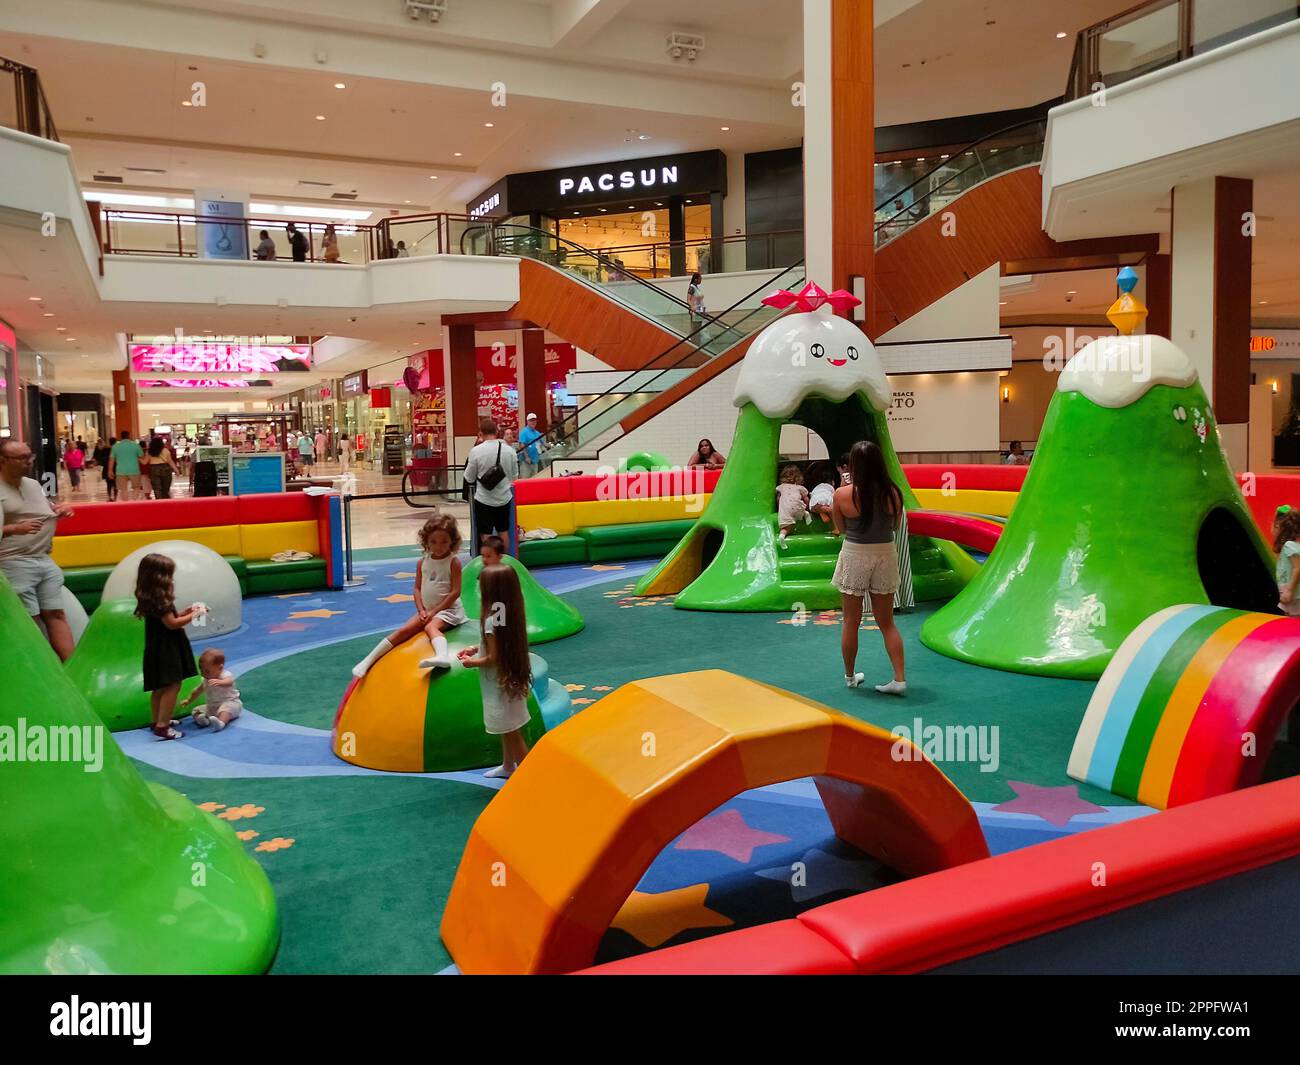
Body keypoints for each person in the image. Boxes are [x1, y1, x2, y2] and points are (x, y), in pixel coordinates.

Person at [832, 440, 906, 695]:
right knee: (887, 622)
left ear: (853, 465)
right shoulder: (894, 493)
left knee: (851, 621)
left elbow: (840, 529)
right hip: (885, 553)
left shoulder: (842, 494)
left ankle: (851, 676)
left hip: (855, 554)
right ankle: (899, 678)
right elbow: (895, 526)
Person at [352, 515, 466, 677]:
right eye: (433, 542)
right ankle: (368, 661)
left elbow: (455, 592)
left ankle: (442, 656)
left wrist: (434, 612)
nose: (438, 546)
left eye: (444, 542)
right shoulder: (422, 562)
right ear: (426, 541)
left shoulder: (453, 562)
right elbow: (417, 589)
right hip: (427, 610)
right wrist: (421, 610)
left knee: (430, 627)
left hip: (448, 611)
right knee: (403, 631)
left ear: (452, 542)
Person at [0, 439, 76, 659]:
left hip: (43, 558)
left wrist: (60, 511)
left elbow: (44, 514)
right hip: (13, 561)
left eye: (29, 456)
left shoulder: (32, 485)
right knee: (29, 619)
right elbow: (18, 526)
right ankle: (44, 669)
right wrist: (15, 528)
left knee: (56, 613)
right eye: (22, 458)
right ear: (3, 461)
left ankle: (71, 668)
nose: (29, 462)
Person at [457, 562, 532, 779]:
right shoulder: (507, 613)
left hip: (498, 684)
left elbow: (493, 657)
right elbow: (499, 643)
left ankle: (529, 778)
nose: (479, 592)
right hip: (510, 679)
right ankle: (508, 766)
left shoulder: (492, 619)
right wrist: (476, 647)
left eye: (482, 588)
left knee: (510, 732)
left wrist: (472, 662)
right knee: (507, 728)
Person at [134, 552, 204, 741]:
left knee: (159, 687)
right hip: (167, 648)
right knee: (173, 684)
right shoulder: (160, 598)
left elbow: (167, 619)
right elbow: (172, 624)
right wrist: (194, 615)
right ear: (161, 577)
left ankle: (157, 720)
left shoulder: (150, 597)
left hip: (156, 646)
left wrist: (183, 612)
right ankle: (163, 726)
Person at [464, 418, 519, 548]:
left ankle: (490, 560)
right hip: (504, 498)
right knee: (504, 531)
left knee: (485, 534)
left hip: (483, 500)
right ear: (497, 432)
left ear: (480, 434)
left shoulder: (476, 451)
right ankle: (503, 560)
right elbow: (514, 477)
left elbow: (469, 478)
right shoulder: (510, 451)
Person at [179, 647, 244, 732]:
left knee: (227, 709)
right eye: (201, 670)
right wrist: (188, 700)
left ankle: (221, 723)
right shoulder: (205, 680)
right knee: (196, 710)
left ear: (220, 668)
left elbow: (230, 681)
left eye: (207, 671)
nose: (203, 674)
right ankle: (203, 721)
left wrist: (221, 682)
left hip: (230, 702)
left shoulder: (224, 675)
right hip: (212, 707)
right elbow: (197, 691)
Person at [776, 464, 810, 547]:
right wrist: (807, 507)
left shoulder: (781, 487)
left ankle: (782, 535)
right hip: (797, 508)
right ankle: (805, 513)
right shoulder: (800, 487)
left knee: (786, 527)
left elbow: (778, 499)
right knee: (800, 508)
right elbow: (806, 499)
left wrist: (779, 508)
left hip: (786, 510)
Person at [1274, 506, 1300, 617]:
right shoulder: (1294, 546)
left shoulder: (1289, 546)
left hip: (1295, 595)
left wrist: (1289, 591)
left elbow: (1298, 568)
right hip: (1293, 595)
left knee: (1292, 623)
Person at [108, 429, 145, 501]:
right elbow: (141, 457)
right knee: (136, 488)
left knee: (123, 489)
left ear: (120, 437)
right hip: (134, 470)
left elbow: (111, 460)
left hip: (120, 471)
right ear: (129, 436)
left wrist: (110, 471)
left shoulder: (115, 446)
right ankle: (134, 501)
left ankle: (126, 504)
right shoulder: (135, 445)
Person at [518, 412, 543, 478]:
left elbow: (542, 443)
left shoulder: (537, 433)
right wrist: (526, 457)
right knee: (525, 480)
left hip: (535, 460)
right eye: (531, 420)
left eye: (534, 420)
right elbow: (522, 445)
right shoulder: (524, 432)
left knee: (534, 479)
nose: (533, 422)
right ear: (527, 421)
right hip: (526, 462)